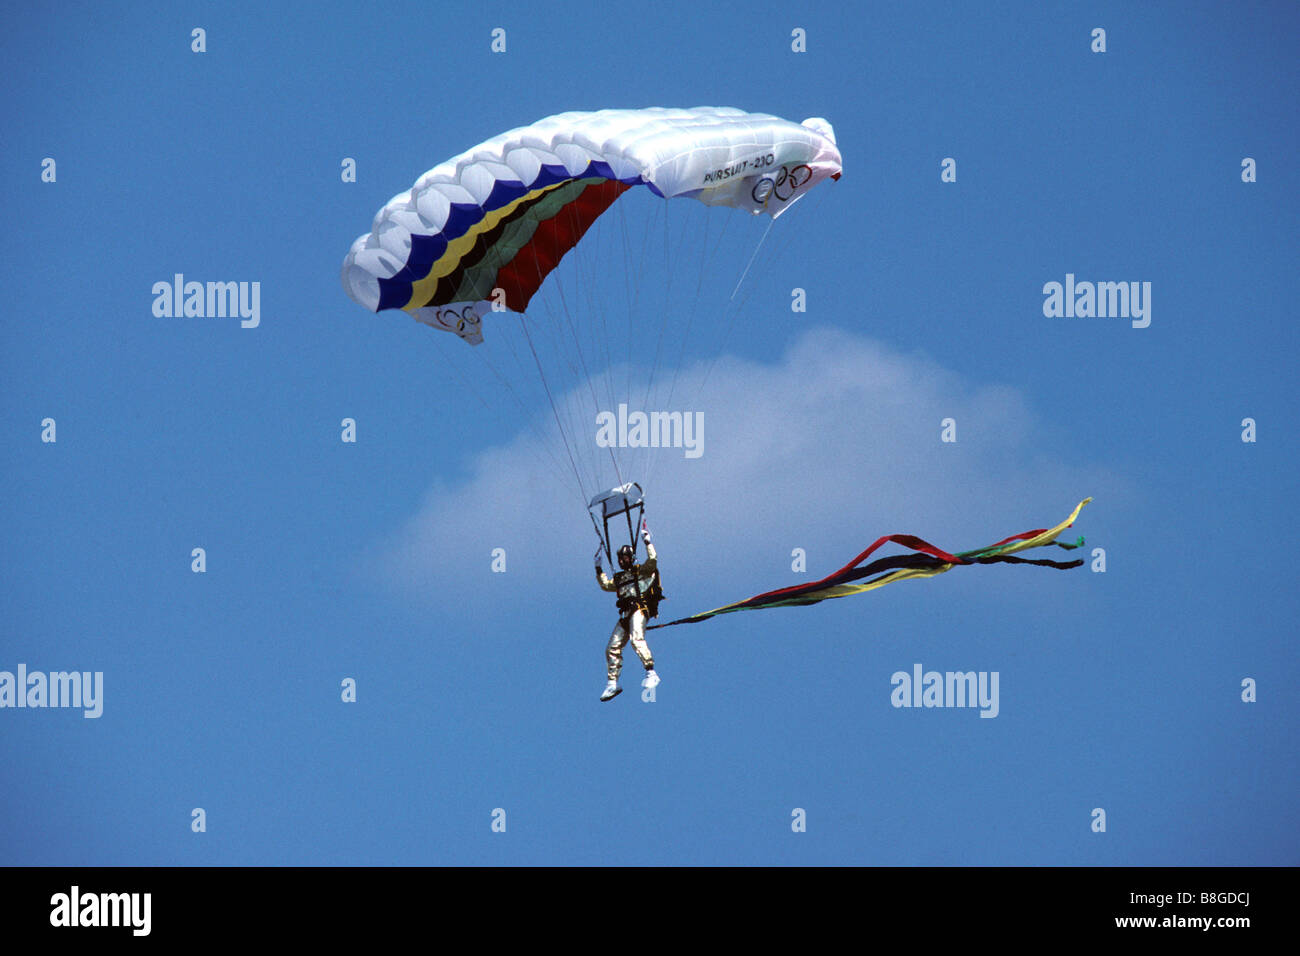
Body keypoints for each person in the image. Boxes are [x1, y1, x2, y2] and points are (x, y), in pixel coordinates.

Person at [596, 520, 663, 701]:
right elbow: (605, 585)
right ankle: (612, 684)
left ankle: (651, 673)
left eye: (624, 558)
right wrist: (598, 568)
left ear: (631, 558)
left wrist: (648, 542)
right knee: (612, 648)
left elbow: (653, 561)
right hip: (625, 615)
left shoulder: (641, 571)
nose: (620, 561)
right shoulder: (619, 578)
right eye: (619, 558)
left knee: (636, 639)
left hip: (639, 609)